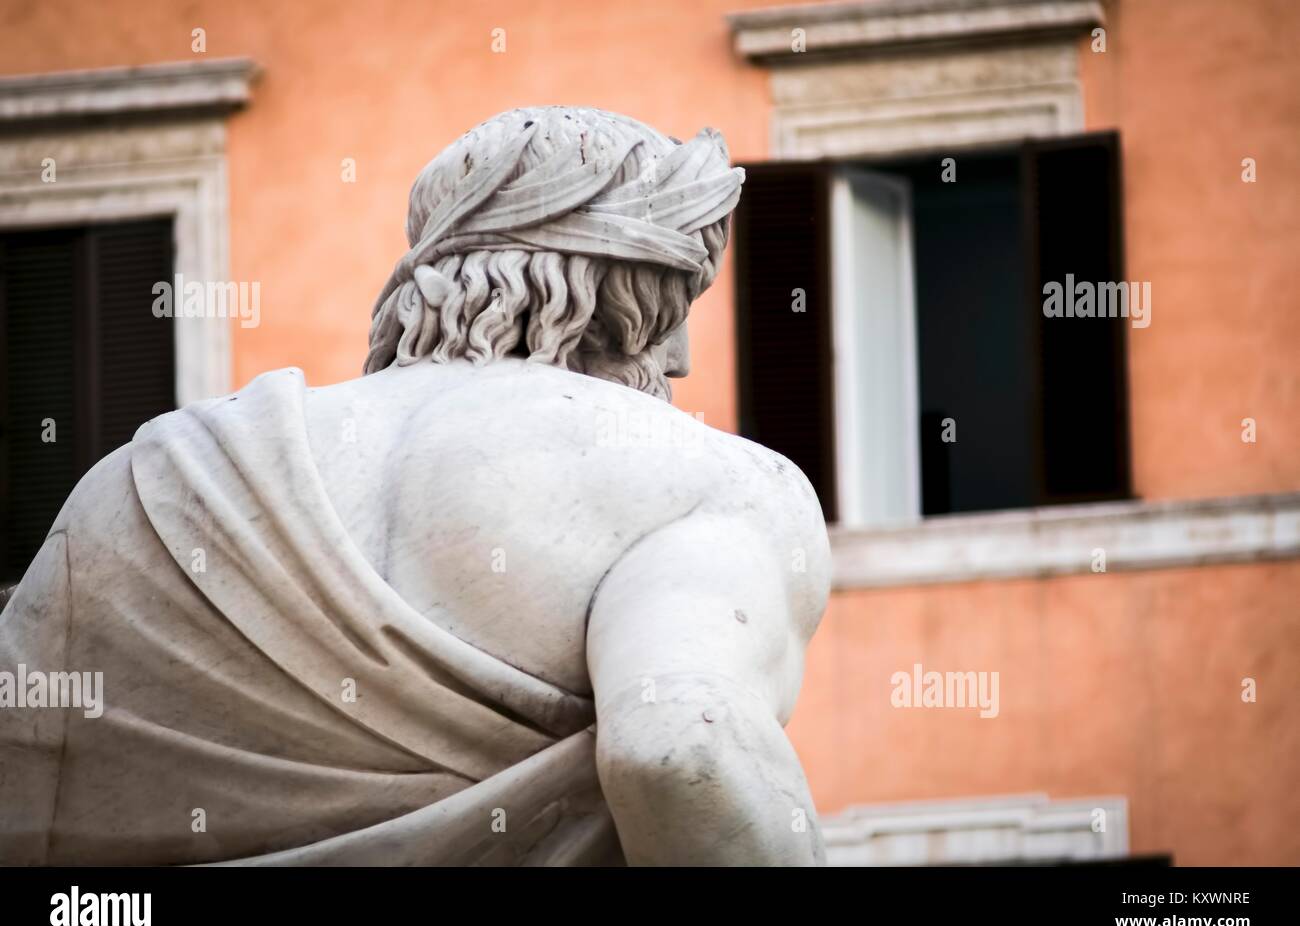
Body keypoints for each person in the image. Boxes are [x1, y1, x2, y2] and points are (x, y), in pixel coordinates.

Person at [0, 106, 830, 865]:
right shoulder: (711, 479)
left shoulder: (154, 476)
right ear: (621, 293)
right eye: (677, 304)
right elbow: (683, 747)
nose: (680, 360)